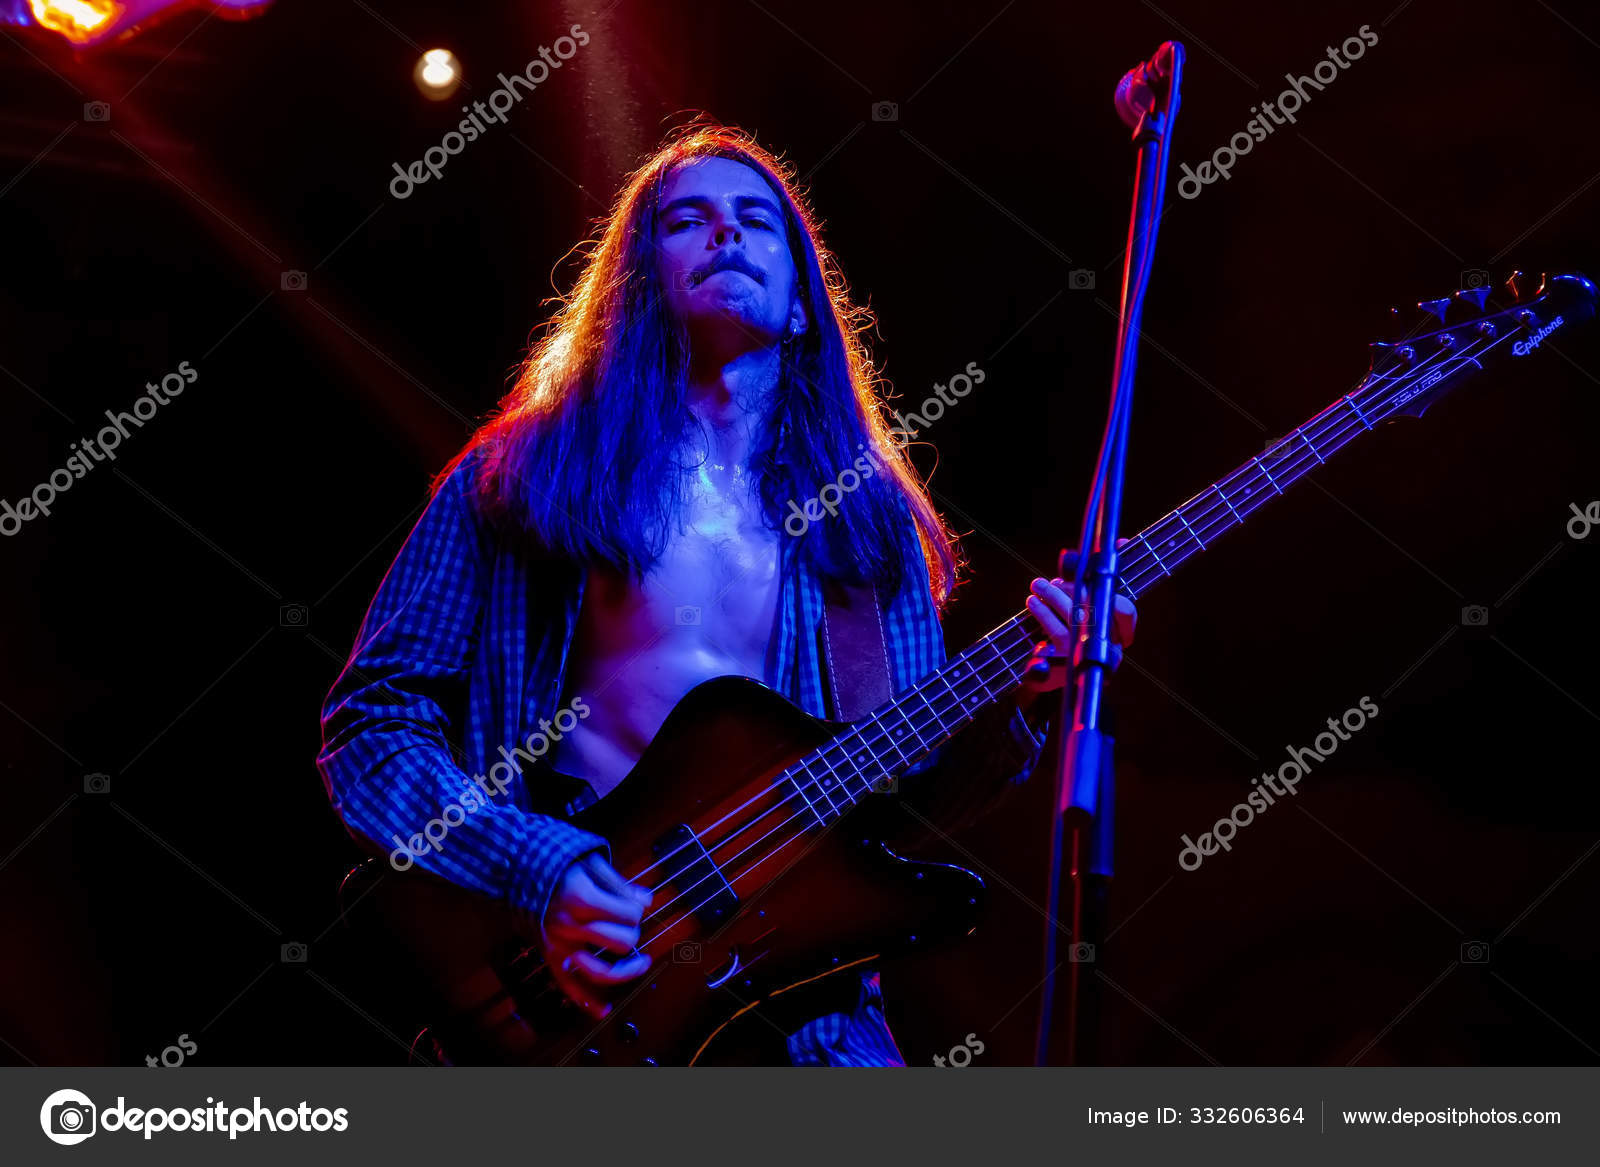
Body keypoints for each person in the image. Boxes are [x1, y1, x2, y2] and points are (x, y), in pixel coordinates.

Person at [316, 123, 1135, 1066]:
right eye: (688, 221)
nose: (727, 236)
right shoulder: (522, 476)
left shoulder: (866, 526)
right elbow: (370, 726)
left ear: (800, 303)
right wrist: (539, 866)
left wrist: (1024, 697)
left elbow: (895, 807)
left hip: (803, 1019)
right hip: (549, 989)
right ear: (634, 283)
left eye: (757, 221)